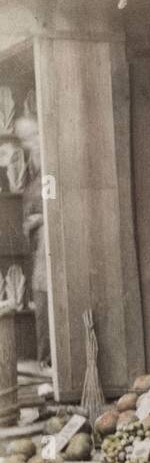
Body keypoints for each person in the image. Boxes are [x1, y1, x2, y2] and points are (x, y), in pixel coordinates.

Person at [14, 117, 48, 366]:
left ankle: (50, 364)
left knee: (48, 305)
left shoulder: (50, 169)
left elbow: (56, 205)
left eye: (33, 135)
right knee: (41, 306)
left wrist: (41, 218)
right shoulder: (32, 173)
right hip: (38, 250)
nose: (30, 144)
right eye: (25, 139)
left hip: (50, 248)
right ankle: (45, 362)